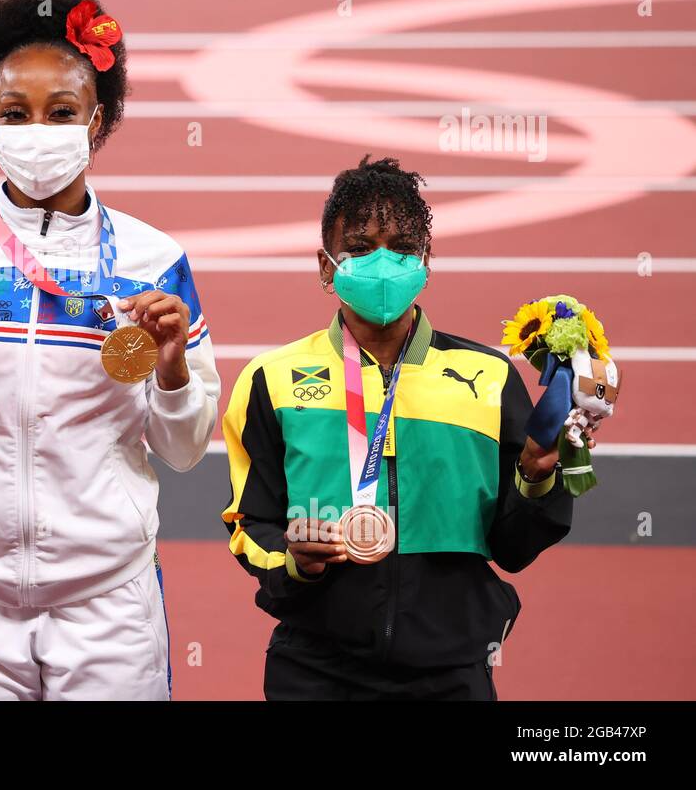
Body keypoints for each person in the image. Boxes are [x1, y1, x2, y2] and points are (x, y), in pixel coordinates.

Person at [0, 0, 221, 700]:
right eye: (14, 114)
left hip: (108, 608)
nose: (38, 130)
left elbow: (183, 452)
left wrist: (174, 368)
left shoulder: (153, 264)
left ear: (98, 119)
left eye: (61, 111)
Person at [222, 156, 576, 700]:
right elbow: (252, 525)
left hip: (450, 675)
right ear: (325, 266)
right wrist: (294, 561)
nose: (383, 263)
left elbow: (514, 548)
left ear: (426, 262)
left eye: (402, 247)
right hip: (316, 673)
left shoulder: (488, 377)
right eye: (361, 249)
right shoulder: (271, 380)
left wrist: (536, 478)